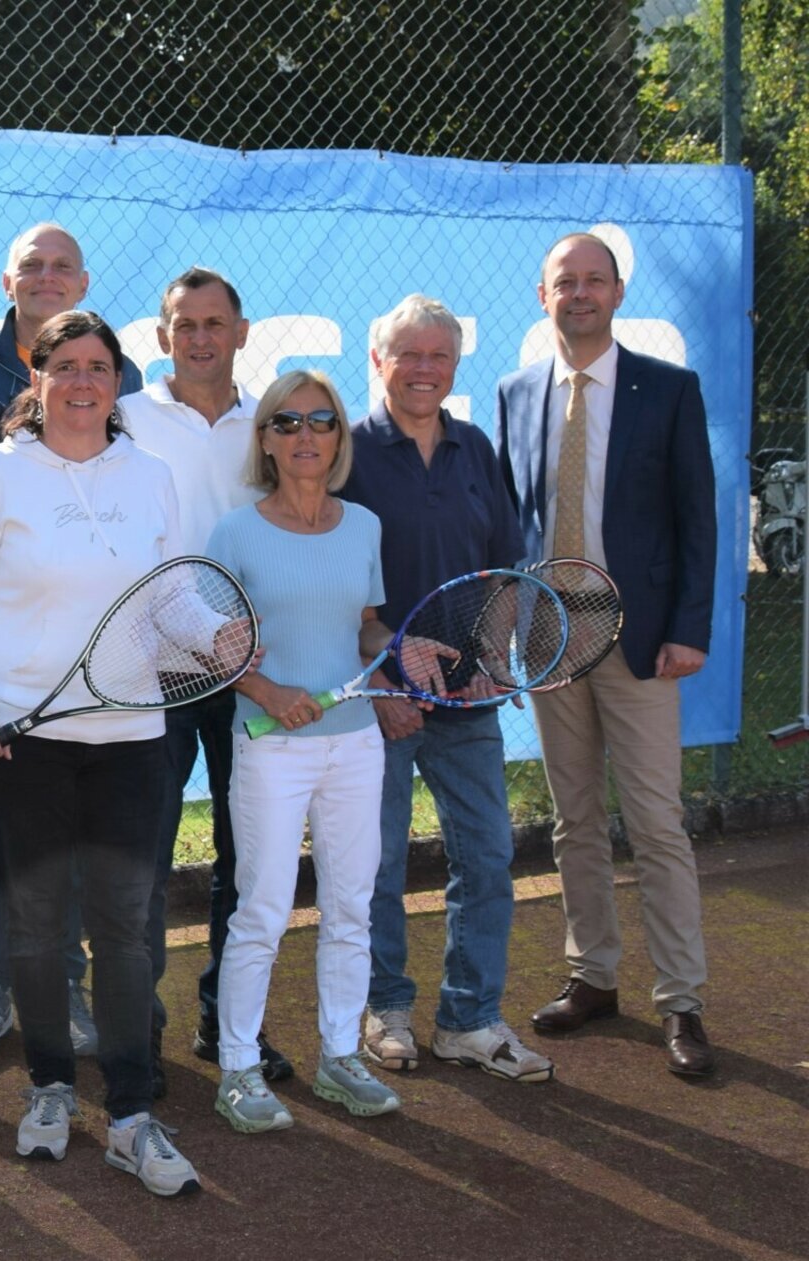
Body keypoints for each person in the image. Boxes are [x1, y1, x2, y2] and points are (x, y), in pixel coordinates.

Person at [0, 310, 200, 1196]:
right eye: (67, 366)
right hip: (23, 742)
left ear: (116, 380)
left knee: (126, 929)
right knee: (37, 928)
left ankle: (130, 1114)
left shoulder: (152, 476)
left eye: (100, 366)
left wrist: (220, 635)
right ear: (37, 376)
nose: (85, 381)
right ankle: (50, 1085)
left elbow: (172, 600)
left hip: (131, 740)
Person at [495, 232, 719, 1078]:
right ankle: (594, 975)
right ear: (541, 293)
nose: (580, 294)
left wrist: (689, 626)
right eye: (565, 281)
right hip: (553, 637)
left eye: (595, 281)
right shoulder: (518, 391)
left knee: (658, 823)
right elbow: (516, 522)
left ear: (618, 293)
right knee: (575, 818)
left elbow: (698, 518)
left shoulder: (668, 389)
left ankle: (682, 1001)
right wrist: (507, 628)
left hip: (642, 638)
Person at [0, 223, 141, 1062]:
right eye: (33, 266)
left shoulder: (121, 398)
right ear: (7, 281)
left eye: (63, 268)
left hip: (104, 711)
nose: (48, 278)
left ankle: (66, 989)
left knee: (78, 864)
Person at [340, 295, 553, 1083]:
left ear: (455, 365)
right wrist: (387, 676)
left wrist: (497, 655)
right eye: (409, 354)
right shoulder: (346, 451)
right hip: (383, 701)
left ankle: (469, 1018)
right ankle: (385, 1007)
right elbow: (341, 591)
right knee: (379, 862)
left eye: (439, 355)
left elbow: (504, 569)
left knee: (489, 857)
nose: (424, 369)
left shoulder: (474, 447)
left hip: (470, 700)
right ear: (378, 361)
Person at [205, 370, 403, 1132]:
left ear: (339, 436)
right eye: (285, 423)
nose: (304, 435)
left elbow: (366, 628)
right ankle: (237, 1067)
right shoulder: (236, 532)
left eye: (320, 421)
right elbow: (216, 647)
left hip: (354, 745)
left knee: (351, 905)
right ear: (265, 440)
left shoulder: (364, 527)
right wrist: (264, 689)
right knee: (261, 909)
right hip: (271, 748)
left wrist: (398, 651)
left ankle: (339, 1057)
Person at [120, 266, 294, 1093]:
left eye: (214, 323)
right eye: (184, 324)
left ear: (241, 331)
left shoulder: (270, 425)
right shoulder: (122, 421)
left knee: (248, 857)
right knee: (143, 861)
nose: (199, 337)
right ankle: (137, 1032)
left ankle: (233, 1024)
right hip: (153, 673)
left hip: (250, 678)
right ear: (161, 338)